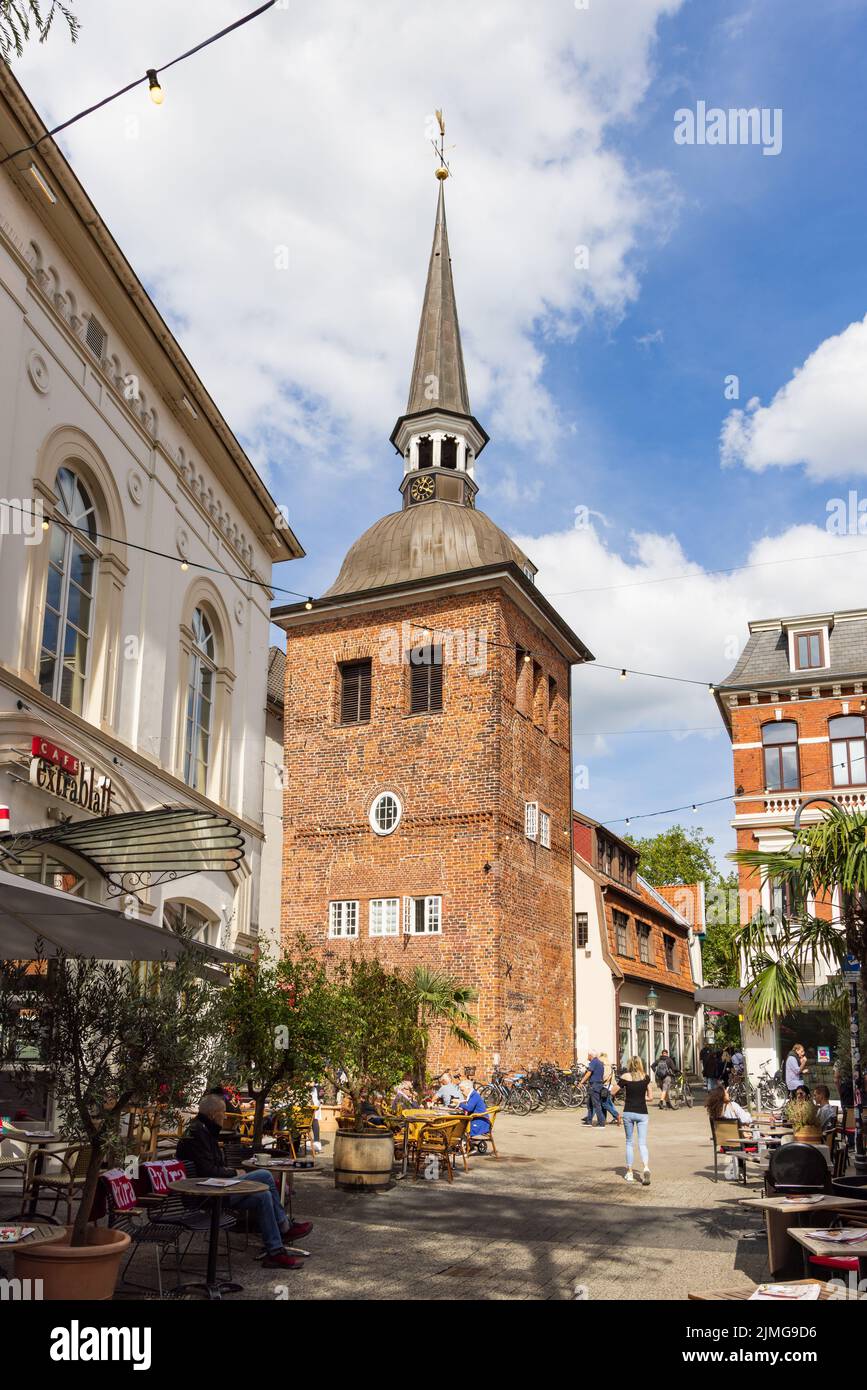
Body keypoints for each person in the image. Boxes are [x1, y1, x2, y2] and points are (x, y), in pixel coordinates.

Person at [177, 1094, 311, 1270]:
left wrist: (230, 1173)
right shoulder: (197, 1134)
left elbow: (212, 1166)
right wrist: (234, 1172)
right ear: (212, 1114)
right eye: (223, 1113)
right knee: (264, 1175)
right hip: (208, 1192)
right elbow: (207, 1171)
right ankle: (284, 1226)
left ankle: (275, 1252)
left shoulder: (204, 1130)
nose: (224, 1117)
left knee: (263, 1196)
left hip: (217, 1187)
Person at [610, 1057, 654, 1185]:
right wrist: (641, 1098)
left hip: (629, 1111)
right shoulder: (645, 1077)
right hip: (642, 1113)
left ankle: (629, 1172)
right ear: (641, 1064)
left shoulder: (625, 1076)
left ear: (629, 1065)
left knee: (629, 1142)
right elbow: (651, 1097)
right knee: (642, 1143)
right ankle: (646, 1167)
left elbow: (613, 1091)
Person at [582, 1051, 606, 1128]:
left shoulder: (593, 1062)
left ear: (590, 1055)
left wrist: (581, 1082)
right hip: (598, 1084)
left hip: (594, 1085)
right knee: (590, 1104)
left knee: (596, 1105)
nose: (587, 1056)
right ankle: (589, 1121)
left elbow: (589, 1073)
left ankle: (601, 1123)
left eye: (588, 1055)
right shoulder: (600, 1062)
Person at [599, 1053, 621, 1126]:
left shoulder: (603, 1064)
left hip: (604, 1086)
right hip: (610, 1086)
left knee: (605, 1104)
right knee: (604, 1103)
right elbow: (612, 1077)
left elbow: (604, 1076)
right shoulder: (609, 1064)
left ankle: (616, 1115)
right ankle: (603, 1120)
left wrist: (599, 1081)